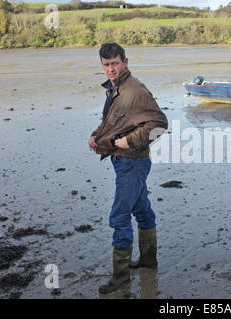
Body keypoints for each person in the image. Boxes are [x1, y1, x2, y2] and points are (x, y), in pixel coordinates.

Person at [88, 42, 168, 294]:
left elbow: (159, 124)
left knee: (119, 216)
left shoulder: (136, 90)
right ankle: (148, 260)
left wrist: (129, 141)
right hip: (121, 159)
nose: (111, 69)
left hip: (132, 161)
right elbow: (114, 123)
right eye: (106, 64)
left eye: (115, 63)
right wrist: (95, 136)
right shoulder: (114, 88)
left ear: (125, 62)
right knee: (141, 209)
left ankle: (121, 279)